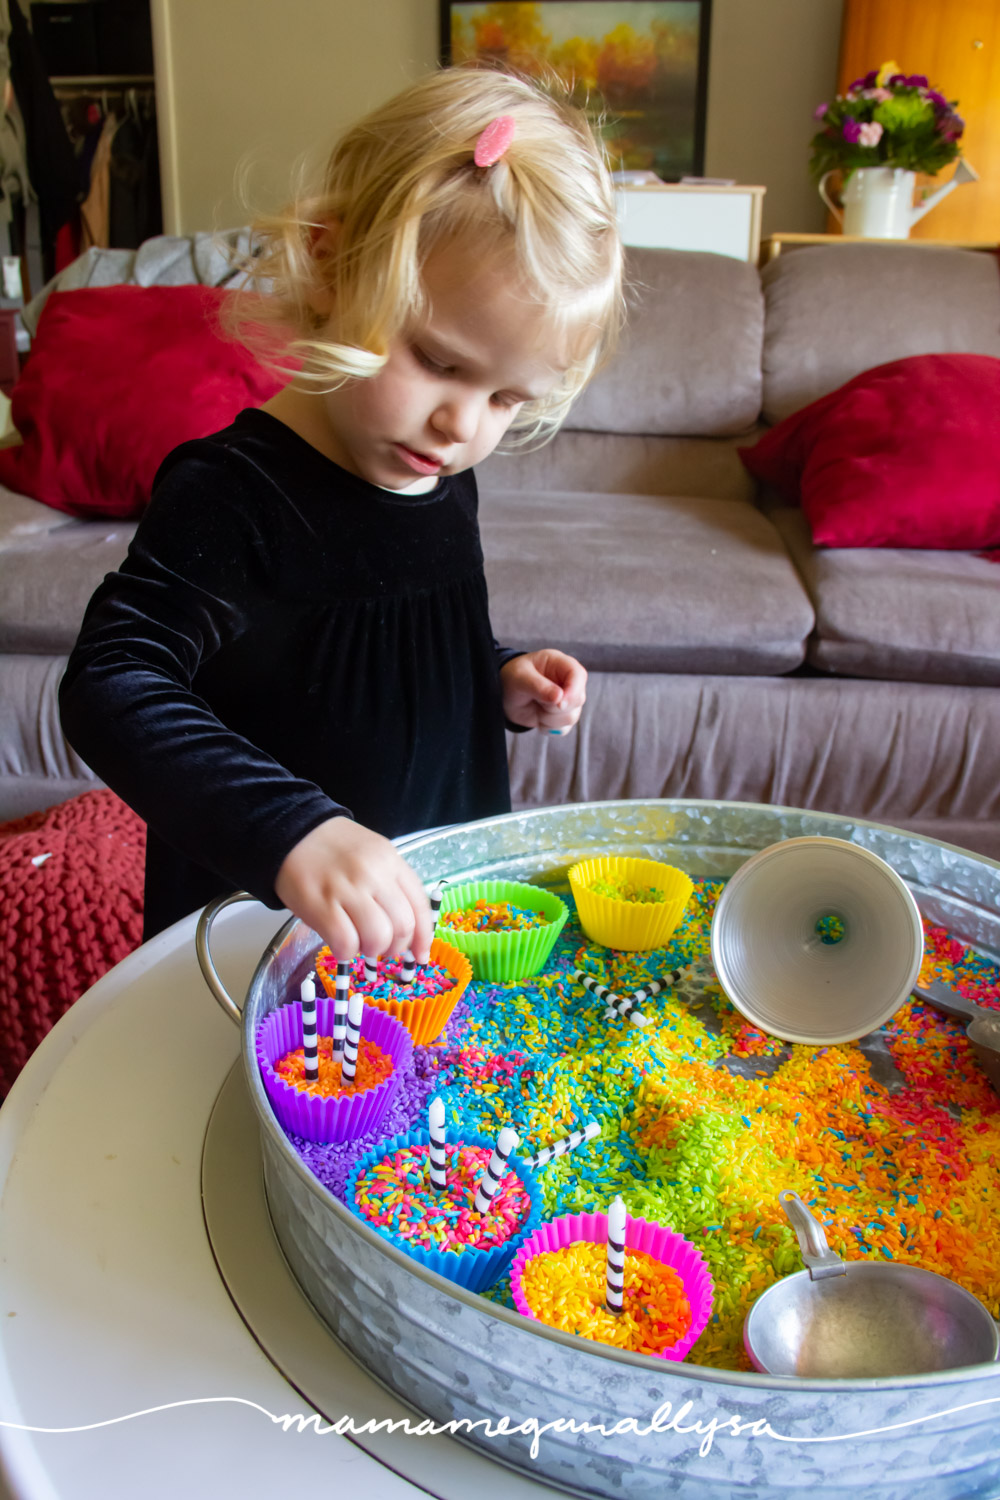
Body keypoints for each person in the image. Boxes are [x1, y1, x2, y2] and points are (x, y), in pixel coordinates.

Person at [59, 66, 624, 963]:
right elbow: (112, 682)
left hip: (428, 921)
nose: (461, 424)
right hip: (261, 937)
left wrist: (498, 677)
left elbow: (381, 655)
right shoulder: (235, 491)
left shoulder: (438, 468)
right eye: (438, 361)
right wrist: (293, 832)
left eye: (508, 399)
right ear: (331, 262)